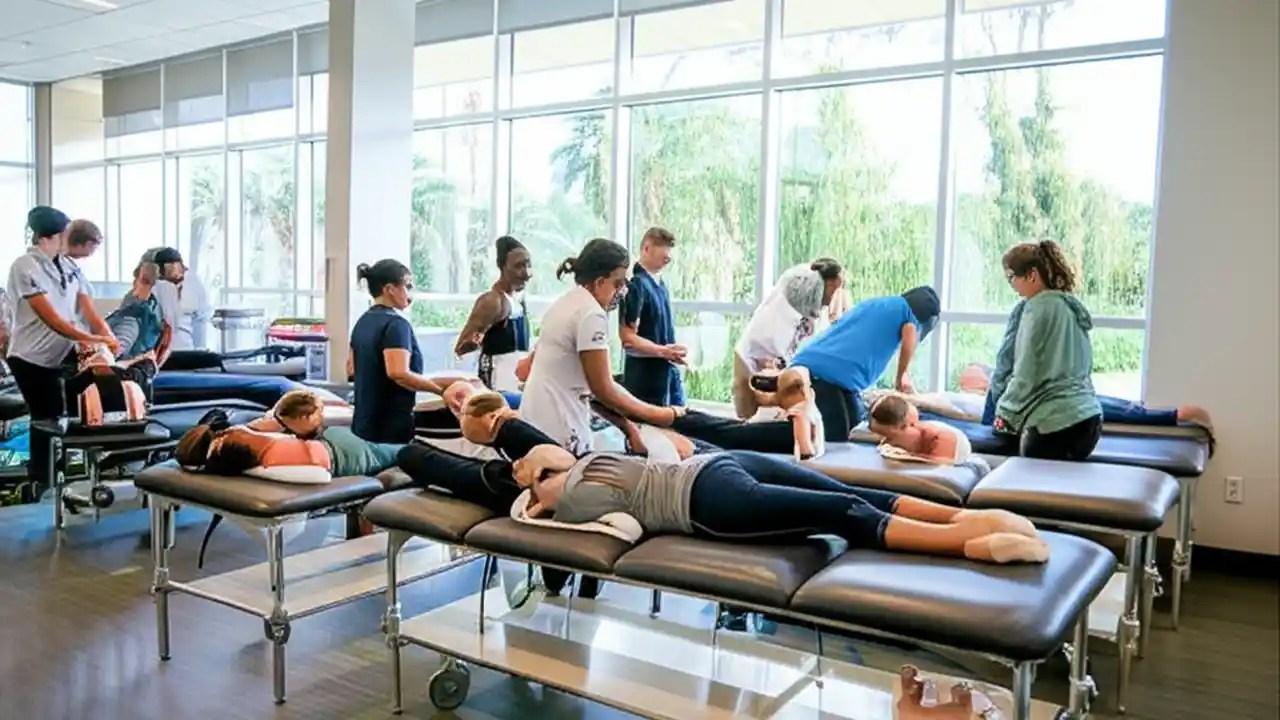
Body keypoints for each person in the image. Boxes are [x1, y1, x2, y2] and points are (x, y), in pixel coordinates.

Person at [515, 444, 1049, 564]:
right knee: (843, 506)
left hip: (714, 482)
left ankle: (965, 525)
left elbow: (545, 475)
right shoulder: (581, 474)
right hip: (710, 482)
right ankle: (968, 535)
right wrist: (535, 497)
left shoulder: (567, 482)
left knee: (844, 503)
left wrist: (535, 495)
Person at [520, 239, 681, 456]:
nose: (623, 291)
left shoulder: (566, 303)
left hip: (536, 422)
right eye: (618, 283)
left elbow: (592, 389)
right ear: (599, 282)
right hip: (560, 429)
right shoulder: (591, 314)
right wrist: (661, 415)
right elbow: (603, 389)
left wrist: (629, 428)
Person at [7, 207, 120, 492]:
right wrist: (94, 341)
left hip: (61, 355)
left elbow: (88, 309)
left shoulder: (69, 266)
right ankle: (40, 483)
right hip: (30, 358)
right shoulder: (25, 267)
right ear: (56, 234)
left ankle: (62, 475)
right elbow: (53, 320)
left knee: (73, 410)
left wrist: (107, 336)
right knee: (47, 417)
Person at [988, 240, 1102, 461]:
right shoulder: (1071, 306)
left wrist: (1004, 417)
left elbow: (1026, 373)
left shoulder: (1036, 308)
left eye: (1011, 278)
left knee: (1030, 492)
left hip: (1054, 426)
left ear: (1031, 275)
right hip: (1090, 420)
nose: (1012, 287)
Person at [791, 286, 941, 441]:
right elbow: (910, 330)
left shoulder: (881, 304)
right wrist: (902, 377)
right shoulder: (908, 316)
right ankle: (764, 439)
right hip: (824, 373)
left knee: (853, 421)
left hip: (824, 369)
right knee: (832, 431)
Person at [175, 390, 403, 477]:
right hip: (339, 450)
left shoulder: (240, 442)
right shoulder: (235, 438)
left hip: (338, 446)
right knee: (398, 452)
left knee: (396, 452)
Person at [349, 259, 448, 443]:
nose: (410, 295)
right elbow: (398, 373)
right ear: (389, 289)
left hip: (363, 422)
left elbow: (351, 370)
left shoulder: (362, 322)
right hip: (389, 426)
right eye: (407, 286)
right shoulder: (396, 325)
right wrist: (441, 391)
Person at [732, 259, 840, 419]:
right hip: (756, 359)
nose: (835, 296)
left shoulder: (808, 306)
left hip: (766, 360)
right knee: (750, 419)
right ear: (829, 283)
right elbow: (773, 339)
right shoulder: (798, 293)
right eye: (836, 287)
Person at [453, 236, 532, 392]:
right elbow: (462, 348)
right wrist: (477, 340)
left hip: (518, 385)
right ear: (501, 267)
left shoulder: (519, 300)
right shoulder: (492, 302)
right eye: (519, 266)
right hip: (496, 388)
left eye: (528, 265)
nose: (527, 273)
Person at [619, 227, 687, 406]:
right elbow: (628, 339)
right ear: (647, 248)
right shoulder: (636, 286)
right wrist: (664, 351)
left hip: (666, 374)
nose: (668, 257)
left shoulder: (660, 285)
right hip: (645, 379)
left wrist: (669, 351)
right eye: (662, 248)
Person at [867, 394, 972, 465]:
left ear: (908, 425)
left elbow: (937, 469)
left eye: (889, 437)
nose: (884, 441)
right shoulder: (897, 437)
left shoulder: (940, 438)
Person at [147, 247, 212, 352]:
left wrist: (200, 349)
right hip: (162, 350)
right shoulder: (155, 287)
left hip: (187, 348)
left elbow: (202, 316)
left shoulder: (193, 283)